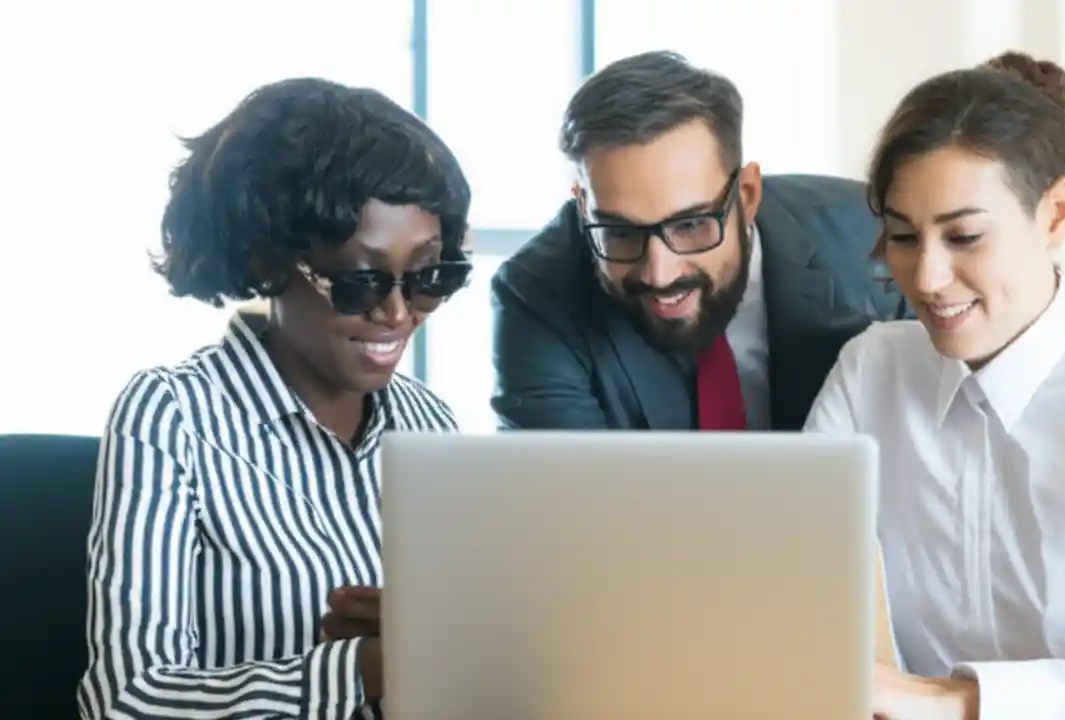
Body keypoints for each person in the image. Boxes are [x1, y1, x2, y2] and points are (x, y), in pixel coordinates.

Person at [805, 52, 1065, 720]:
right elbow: (799, 590)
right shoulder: (869, 370)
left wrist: (962, 702)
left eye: (964, 236)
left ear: (1055, 214)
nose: (928, 278)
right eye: (903, 237)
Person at [77, 78, 472, 719]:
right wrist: (359, 668)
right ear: (269, 264)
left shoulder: (431, 422)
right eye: (360, 280)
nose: (398, 312)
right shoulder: (172, 417)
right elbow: (125, 702)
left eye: (431, 276)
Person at [491, 51, 906, 431]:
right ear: (583, 207)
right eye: (620, 232)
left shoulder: (878, 239)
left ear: (746, 196)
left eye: (690, 225)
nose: (659, 273)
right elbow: (566, 499)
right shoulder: (537, 295)